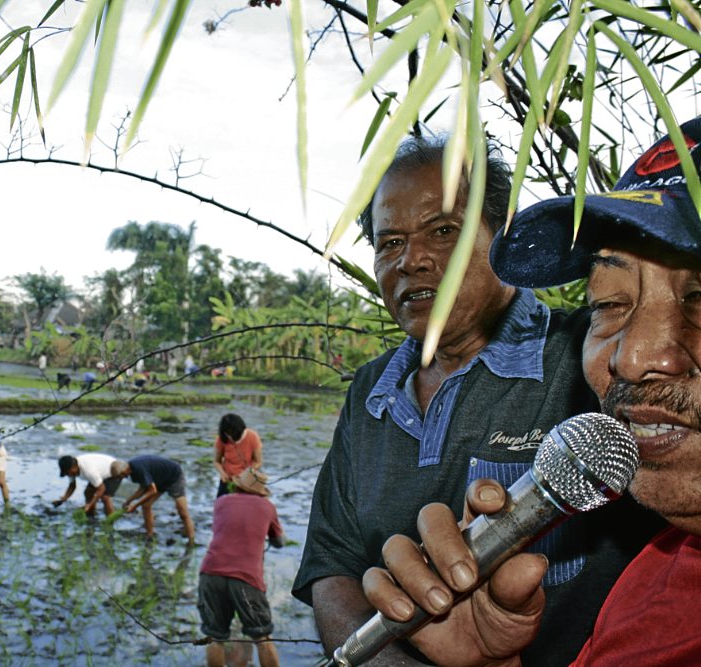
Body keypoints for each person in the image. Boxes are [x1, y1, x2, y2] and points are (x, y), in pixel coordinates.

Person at [292, 135, 658, 665]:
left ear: (502, 236)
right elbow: (332, 563)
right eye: (389, 243)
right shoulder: (370, 393)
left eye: (442, 232)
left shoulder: (597, 360)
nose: (411, 260)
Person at [198, 468, 285, 667]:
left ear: (238, 485)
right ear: (261, 490)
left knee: (215, 637)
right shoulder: (267, 507)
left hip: (211, 572)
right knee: (262, 636)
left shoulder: (221, 502)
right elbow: (279, 542)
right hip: (246, 579)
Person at [110, 455, 195, 543]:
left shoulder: (139, 469)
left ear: (125, 470)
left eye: (122, 475)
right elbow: (143, 489)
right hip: (159, 479)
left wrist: (134, 506)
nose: (124, 478)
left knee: (183, 513)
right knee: (146, 505)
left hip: (174, 477)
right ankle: (149, 535)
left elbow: (152, 491)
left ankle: (191, 541)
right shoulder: (132, 471)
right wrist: (128, 501)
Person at [53, 453, 122, 517]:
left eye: (69, 472)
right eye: (67, 474)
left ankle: (110, 520)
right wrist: (62, 500)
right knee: (88, 492)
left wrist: (90, 504)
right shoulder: (70, 471)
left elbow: (101, 488)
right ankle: (91, 516)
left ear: (74, 466)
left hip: (114, 469)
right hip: (100, 473)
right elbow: (72, 486)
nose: (70, 475)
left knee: (105, 497)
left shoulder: (88, 470)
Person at [213, 413, 264, 497]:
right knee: (222, 505)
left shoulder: (252, 436)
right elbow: (216, 462)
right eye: (229, 434)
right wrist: (223, 473)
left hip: (248, 481)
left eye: (234, 434)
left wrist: (245, 475)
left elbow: (258, 462)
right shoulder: (222, 439)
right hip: (228, 480)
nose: (232, 437)